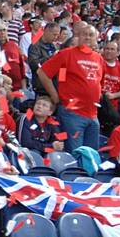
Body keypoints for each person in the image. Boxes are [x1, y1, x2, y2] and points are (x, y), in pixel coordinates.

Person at [37, 23, 104, 152]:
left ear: (96, 39)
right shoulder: (66, 54)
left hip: (93, 115)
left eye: (91, 35)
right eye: (84, 34)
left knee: (91, 156)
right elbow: (43, 73)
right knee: (75, 155)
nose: (88, 37)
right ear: (78, 36)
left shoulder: (98, 58)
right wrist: (55, 96)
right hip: (72, 114)